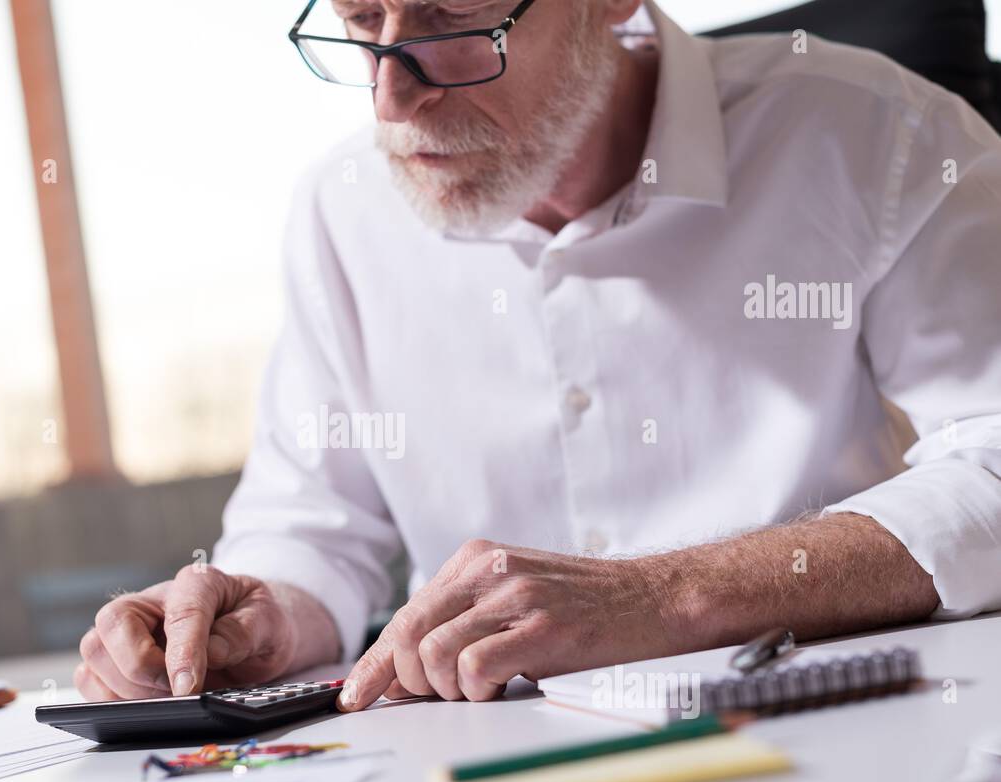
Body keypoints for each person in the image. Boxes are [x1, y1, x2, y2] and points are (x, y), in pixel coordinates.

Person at [74, 0, 1001, 712]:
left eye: (449, 17)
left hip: (833, 739)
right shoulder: (340, 213)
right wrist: (256, 621)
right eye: (363, 20)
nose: (391, 98)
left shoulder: (882, 137)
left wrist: (662, 597)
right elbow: (313, 529)